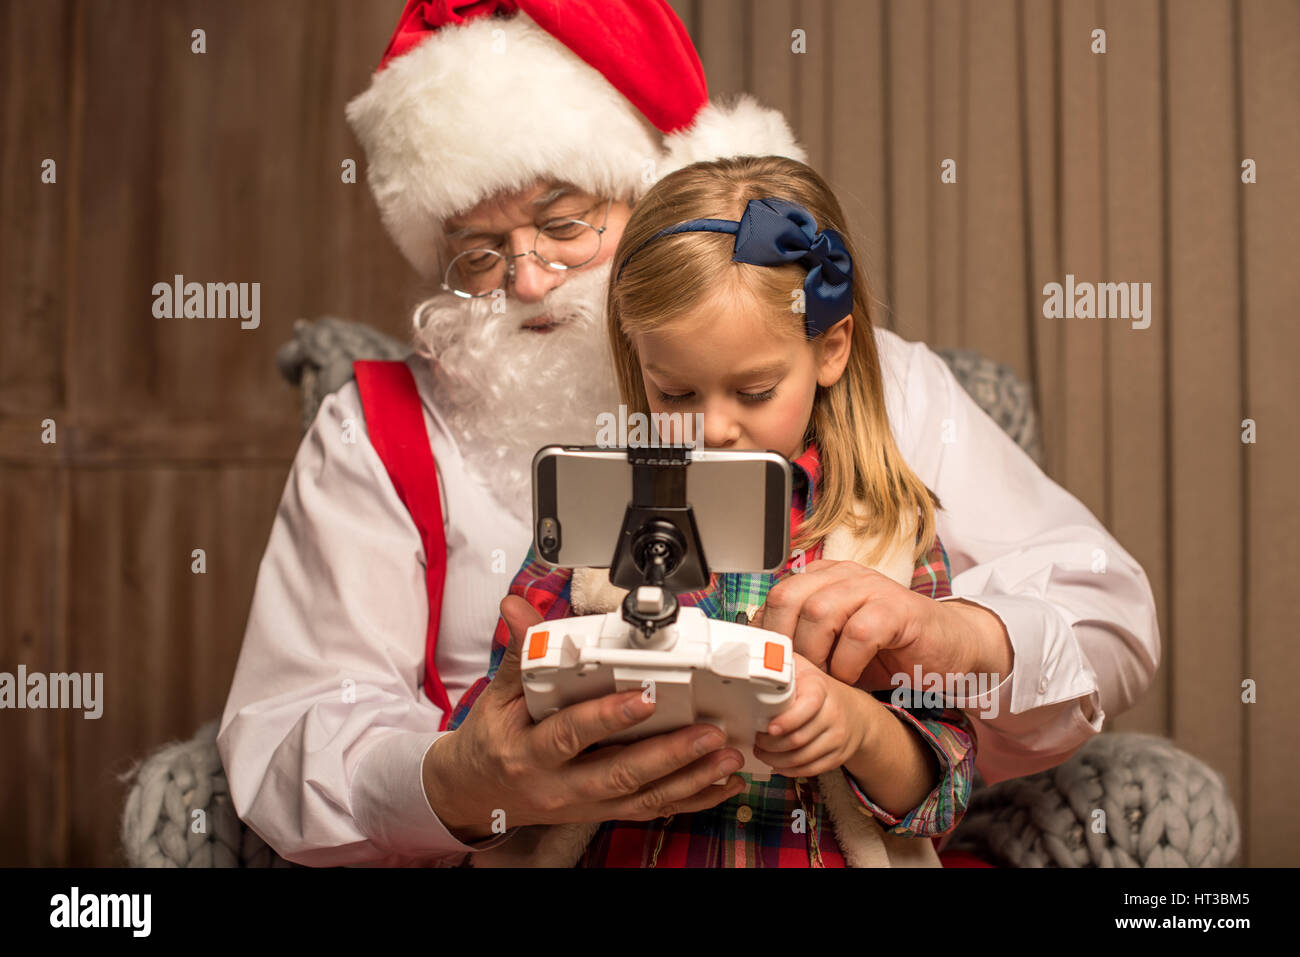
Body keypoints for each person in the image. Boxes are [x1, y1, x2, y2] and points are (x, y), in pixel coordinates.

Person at [217, 0, 1159, 867]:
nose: (530, 280)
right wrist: (466, 780)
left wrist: (951, 636)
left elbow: (1106, 620)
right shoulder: (368, 433)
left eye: (565, 223)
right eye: (477, 250)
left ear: (660, 198)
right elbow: (284, 735)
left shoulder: (875, 385)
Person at [439, 154, 976, 867]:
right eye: (676, 394)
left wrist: (858, 729)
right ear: (639, 367)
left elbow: (948, 781)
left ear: (832, 347)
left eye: (753, 392)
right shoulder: (595, 522)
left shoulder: (889, 531)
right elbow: (498, 745)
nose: (712, 427)